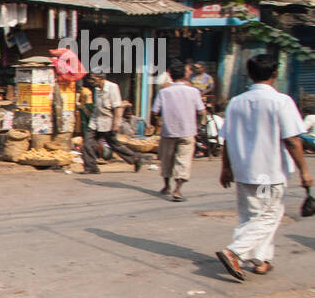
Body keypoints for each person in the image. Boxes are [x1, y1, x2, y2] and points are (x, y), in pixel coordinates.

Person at [216, 55, 312, 279]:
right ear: (274, 74)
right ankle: (235, 252)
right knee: (268, 216)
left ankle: (261, 259)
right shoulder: (281, 102)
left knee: (251, 217)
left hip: (244, 171)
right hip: (269, 174)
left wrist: (226, 168)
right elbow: (292, 140)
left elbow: (227, 139)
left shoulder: (236, 102)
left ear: (249, 74)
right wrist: (305, 171)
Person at [150, 62, 205, 201]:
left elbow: (154, 112)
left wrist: (159, 122)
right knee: (184, 161)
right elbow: (201, 111)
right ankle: (178, 190)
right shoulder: (193, 91)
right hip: (188, 131)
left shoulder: (164, 92)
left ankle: (166, 186)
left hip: (168, 131)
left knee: (166, 159)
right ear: (186, 75)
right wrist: (198, 126)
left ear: (171, 75)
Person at [81, 71, 146, 174]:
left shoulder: (112, 87)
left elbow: (117, 108)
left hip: (108, 122)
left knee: (115, 145)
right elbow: (97, 108)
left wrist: (116, 124)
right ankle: (91, 167)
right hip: (96, 121)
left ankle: (135, 159)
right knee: (87, 143)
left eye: (94, 79)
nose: (91, 81)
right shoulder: (97, 90)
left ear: (100, 78)